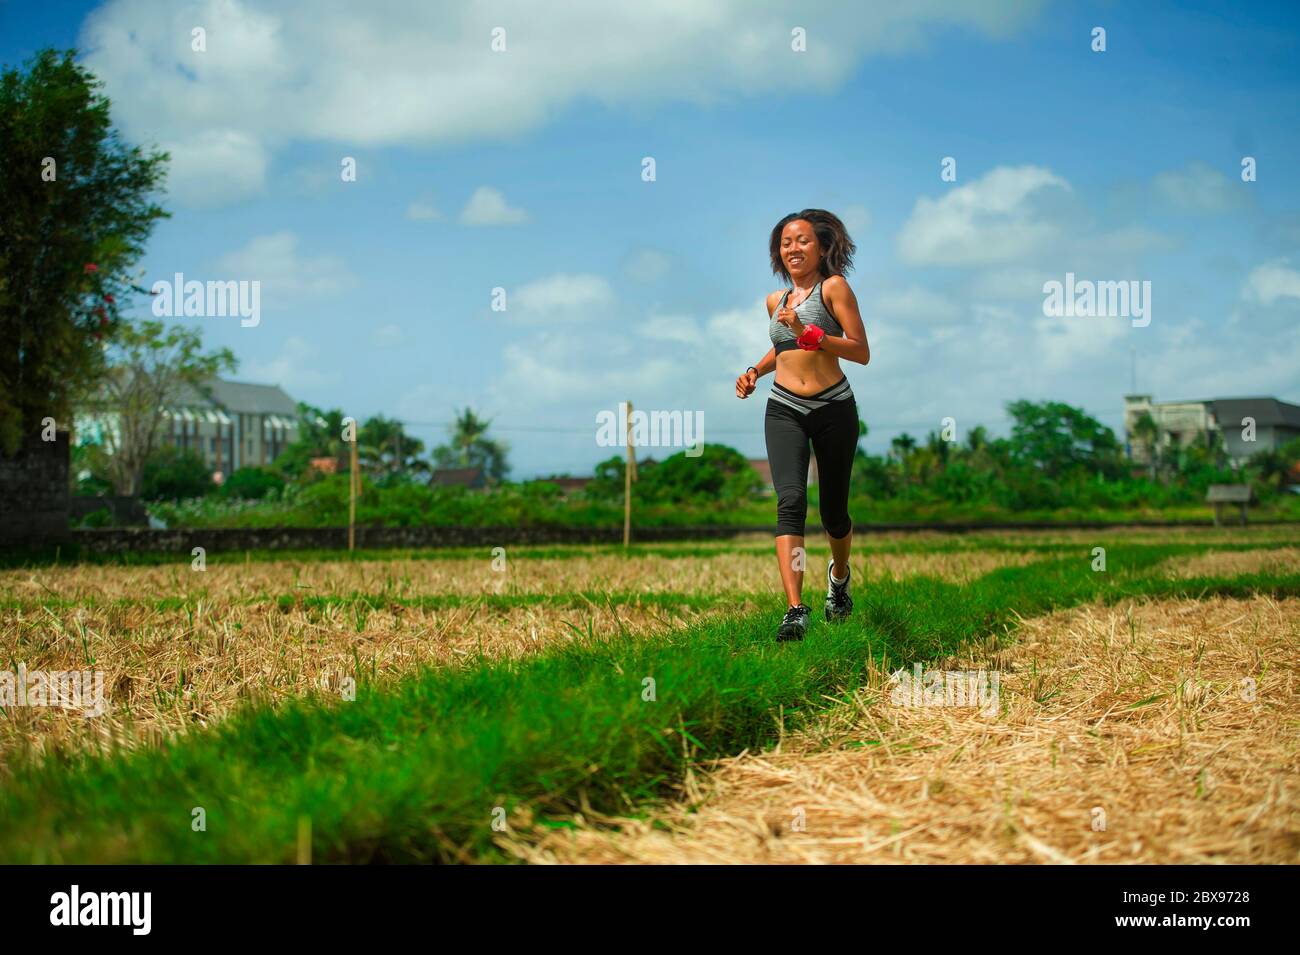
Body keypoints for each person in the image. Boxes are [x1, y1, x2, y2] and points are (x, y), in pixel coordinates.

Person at [735, 209, 870, 641]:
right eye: (786, 242)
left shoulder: (834, 288)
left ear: (822, 247)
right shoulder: (775, 302)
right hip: (784, 407)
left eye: (803, 240)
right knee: (790, 502)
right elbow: (784, 347)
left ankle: (839, 580)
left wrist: (812, 332)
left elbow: (860, 350)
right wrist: (755, 370)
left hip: (834, 408)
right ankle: (795, 609)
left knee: (833, 514)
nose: (793, 248)